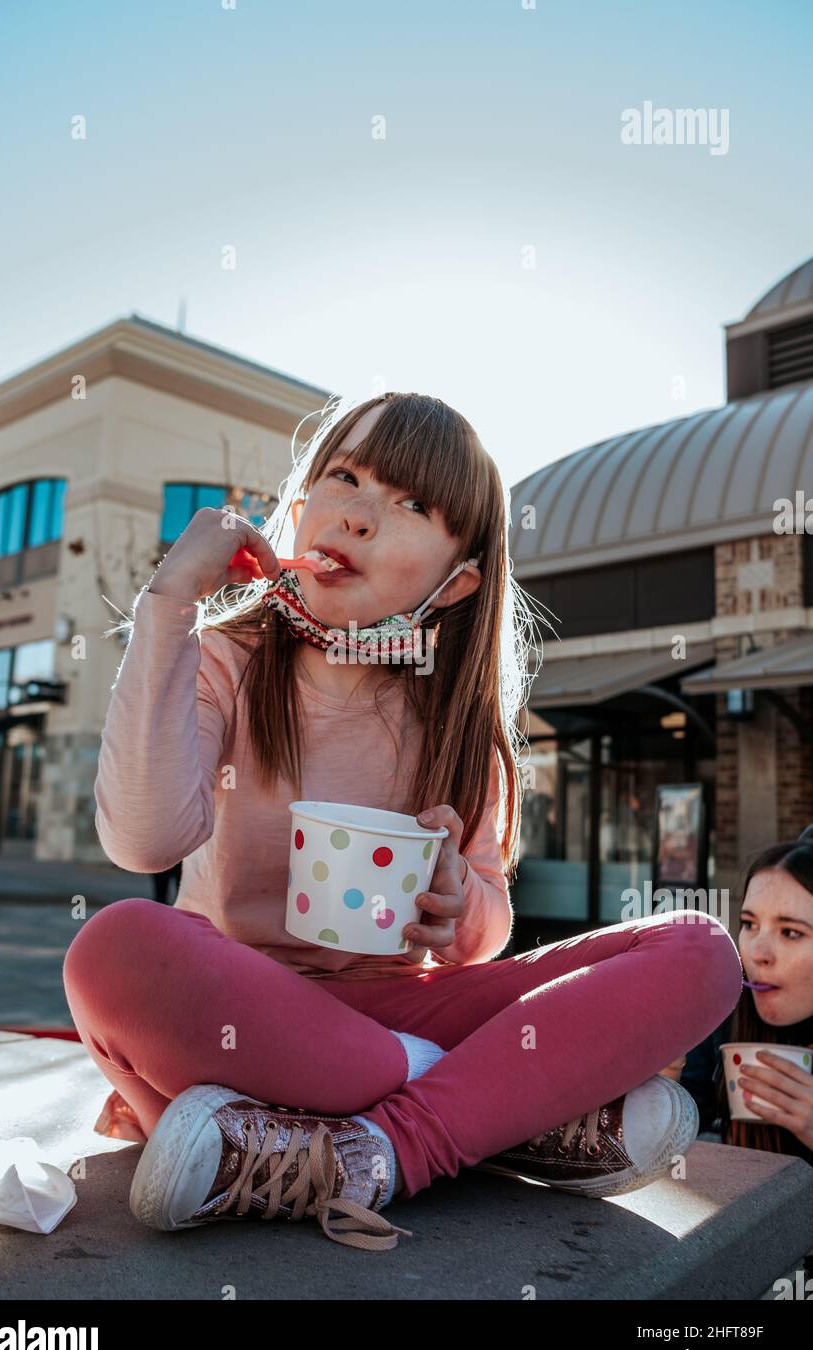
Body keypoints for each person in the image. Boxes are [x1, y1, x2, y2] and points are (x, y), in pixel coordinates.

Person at [64, 392, 742, 1253]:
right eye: (342, 477)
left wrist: (463, 911)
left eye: (413, 505)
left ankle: (359, 1151)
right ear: (301, 503)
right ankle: (502, 1112)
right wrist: (168, 606)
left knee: (697, 948)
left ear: (457, 581)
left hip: (397, 1012)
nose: (358, 513)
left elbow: (487, 924)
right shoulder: (224, 665)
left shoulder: (461, 721)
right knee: (112, 947)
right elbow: (143, 840)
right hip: (245, 1015)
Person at [676, 826, 813, 1164]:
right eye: (750, 924)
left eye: (791, 932)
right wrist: (660, 1098)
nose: (758, 953)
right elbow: (671, 1149)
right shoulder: (725, 1009)